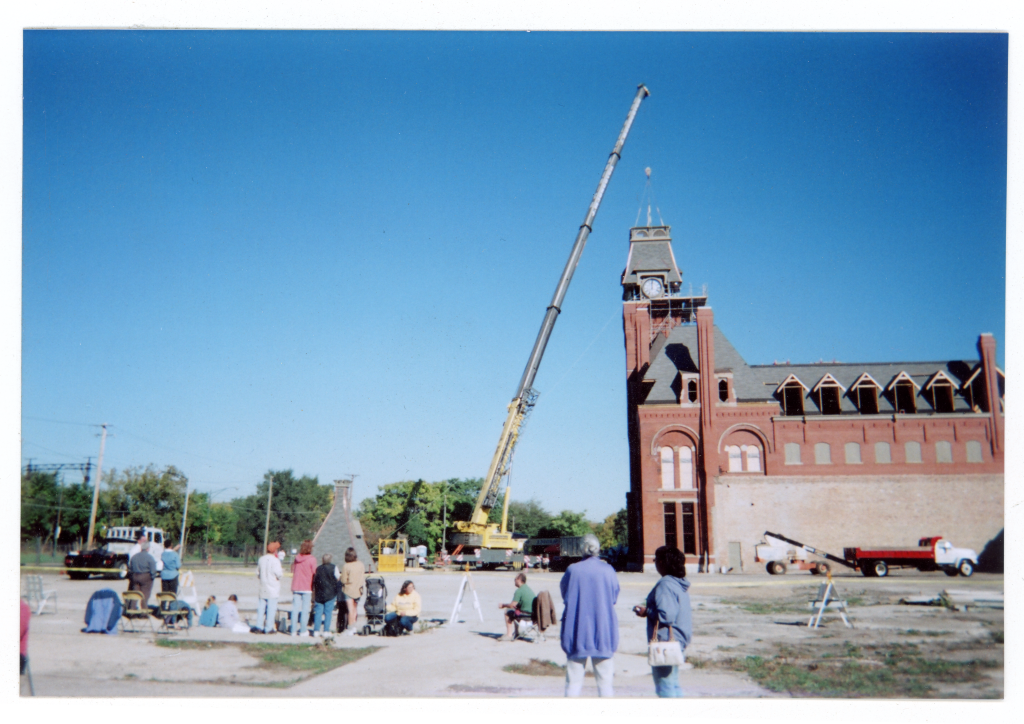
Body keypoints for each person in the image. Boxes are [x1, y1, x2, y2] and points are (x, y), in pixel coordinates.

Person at [559, 533, 619, 697]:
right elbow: (614, 597)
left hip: (577, 631)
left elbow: (565, 595)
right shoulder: (608, 570)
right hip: (603, 632)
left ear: (582, 549)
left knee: (573, 683)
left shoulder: (572, 570)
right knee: (605, 684)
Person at [633, 546, 692, 698]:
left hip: (664, 643)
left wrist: (647, 612)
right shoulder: (678, 583)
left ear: (662, 562)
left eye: (656, 560)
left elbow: (667, 616)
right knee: (673, 684)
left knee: (665, 687)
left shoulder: (665, 584)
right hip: (677, 640)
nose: (655, 564)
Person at [289, 540, 317, 637]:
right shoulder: (312, 559)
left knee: (295, 609)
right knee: (305, 610)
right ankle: (303, 630)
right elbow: (314, 572)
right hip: (306, 587)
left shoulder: (297, 558)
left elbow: (292, 570)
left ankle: (293, 630)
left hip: (296, 586)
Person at [255, 541, 284, 634]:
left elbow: (257, 573)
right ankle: (268, 628)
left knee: (261, 608)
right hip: (273, 588)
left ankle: (258, 627)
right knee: (271, 609)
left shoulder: (261, 559)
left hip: (263, 586)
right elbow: (279, 574)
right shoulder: (275, 561)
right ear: (275, 550)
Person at [498, 572, 535, 641]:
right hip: (533, 615)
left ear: (519, 580)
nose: (514, 580)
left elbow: (512, 605)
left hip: (526, 615)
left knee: (507, 611)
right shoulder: (528, 589)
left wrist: (503, 605)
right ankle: (517, 633)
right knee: (515, 610)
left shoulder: (519, 591)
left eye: (515, 579)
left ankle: (509, 635)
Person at [312, 553, 340, 636]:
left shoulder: (318, 568)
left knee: (318, 612)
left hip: (319, 593)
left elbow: (315, 580)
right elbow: (338, 578)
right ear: (330, 559)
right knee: (328, 612)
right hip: (330, 593)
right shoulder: (334, 567)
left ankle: (316, 630)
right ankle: (326, 630)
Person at [128, 538, 160, 608]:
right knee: (145, 595)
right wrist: (152, 577)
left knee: (135, 594)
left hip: (135, 576)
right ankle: (144, 612)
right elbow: (153, 570)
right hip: (145, 577)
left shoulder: (134, 557)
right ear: (148, 548)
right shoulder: (150, 558)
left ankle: (132, 611)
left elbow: (130, 567)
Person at [341, 547, 365, 636]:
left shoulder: (346, 566)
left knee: (350, 610)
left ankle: (350, 628)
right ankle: (354, 627)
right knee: (355, 609)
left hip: (349, 590)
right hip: (358, 589)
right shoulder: (361, 564)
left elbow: (343, 580)